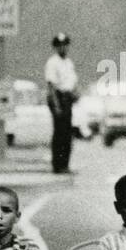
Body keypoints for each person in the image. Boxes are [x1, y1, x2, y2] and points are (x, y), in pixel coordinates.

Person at [45, 32, 78, 175]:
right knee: (59, 133)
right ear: (56, 48)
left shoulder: (68, 63)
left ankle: (65, 164)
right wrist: (57, 105)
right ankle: (57, 165)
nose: (63, 48)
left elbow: (71, 82)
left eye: (65, 45)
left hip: (67, 97)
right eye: (60, 46)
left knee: (67, 133)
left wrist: (75, 94)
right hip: (58, 98)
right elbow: (51, 85)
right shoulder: (53, 62)